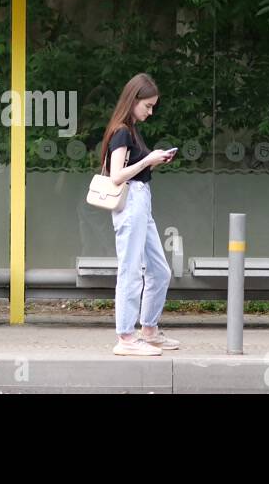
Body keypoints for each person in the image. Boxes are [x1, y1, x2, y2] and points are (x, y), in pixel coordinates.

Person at [100, 73, 178, 356]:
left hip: (141, 200)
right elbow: (117, 175)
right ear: (133, 100)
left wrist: (153, 162)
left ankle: (149, 330)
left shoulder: (131, 130)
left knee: (159, 270)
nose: (150, 111)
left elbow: (132, 168)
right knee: (131, 270)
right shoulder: (122, 131)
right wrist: (148, 159)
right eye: (147, 105)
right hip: (131, 201)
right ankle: (126, 337)